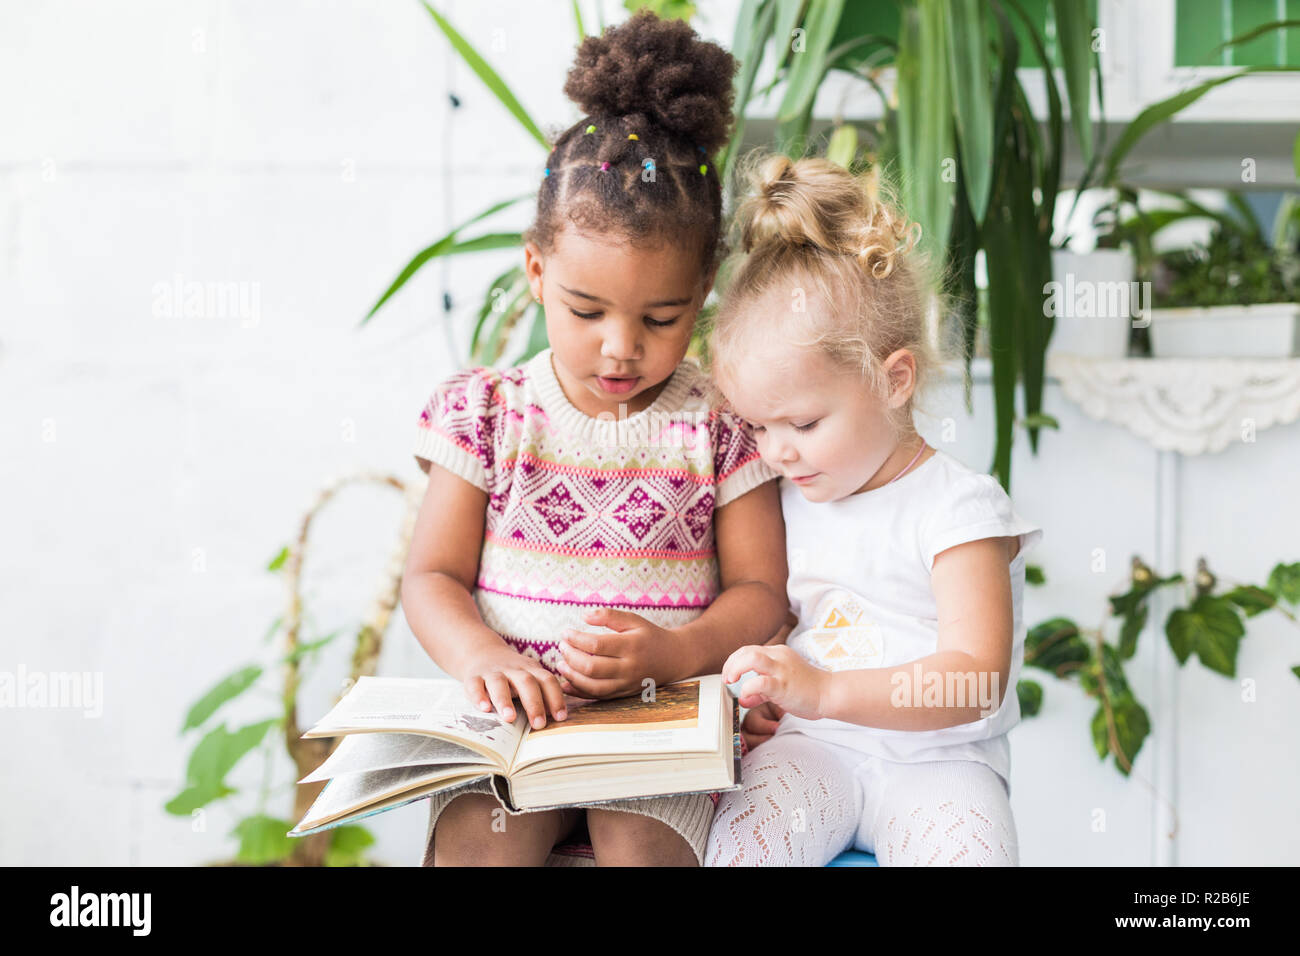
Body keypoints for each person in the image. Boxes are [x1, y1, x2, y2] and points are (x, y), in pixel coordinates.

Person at [401, 11, 787, 867]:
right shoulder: (489, 413)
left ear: (704, 289)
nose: (622, 346)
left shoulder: (722, 427)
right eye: (586, 311)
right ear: (536, 270)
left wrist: (677, 651)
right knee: (477, 848)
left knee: (635, 845)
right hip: (515, 730)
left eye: (662, 316)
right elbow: (431, 575)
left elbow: (764, 592)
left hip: (657, 728)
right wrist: (483, 655)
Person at [703, 154, 1043, 866]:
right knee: (736, 849)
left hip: (939, 768)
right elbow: (797, 620)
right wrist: (772, 691)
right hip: (812, 752)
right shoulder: (793, 499)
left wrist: (824, 689)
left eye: (802, 424)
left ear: (894, 380)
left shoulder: (958, 509)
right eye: (760, 428)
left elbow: (976, 678)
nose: (778, 453)